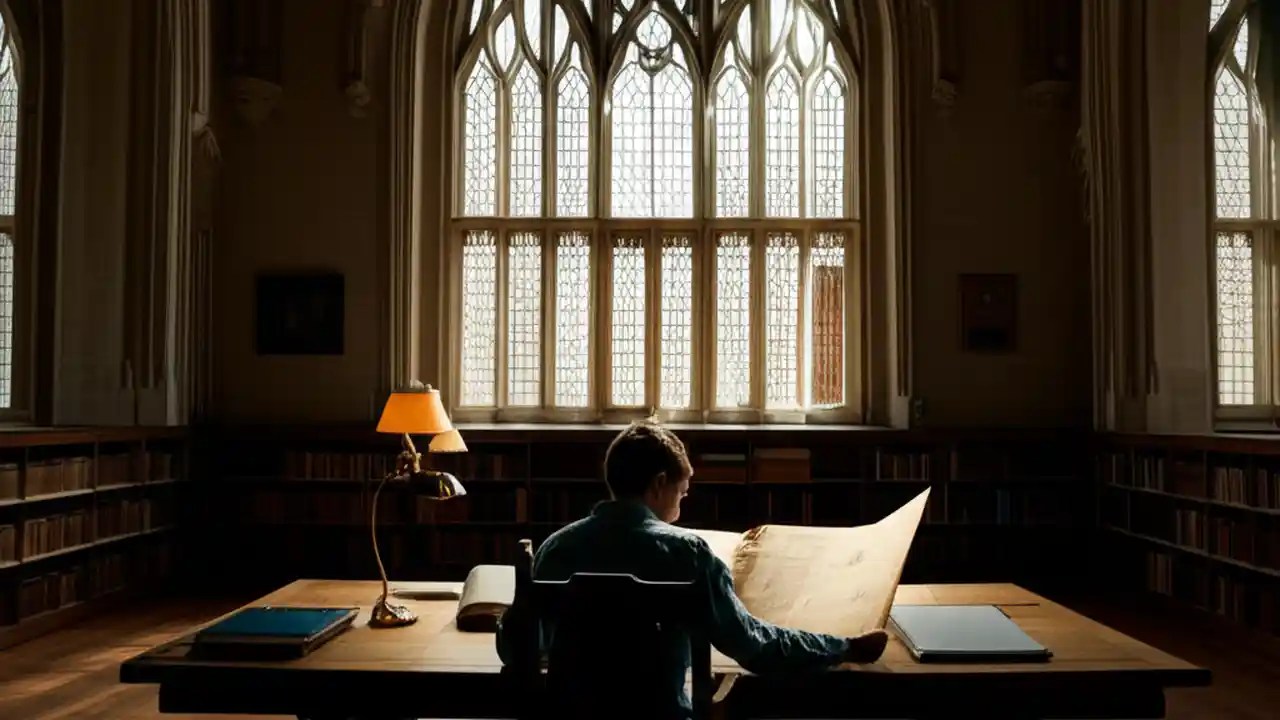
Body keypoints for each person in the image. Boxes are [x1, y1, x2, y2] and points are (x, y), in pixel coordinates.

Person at [495, 419, 888, 718]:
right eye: (681, 494)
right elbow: (755, 647)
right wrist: (844, 646)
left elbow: (517, 650)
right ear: (659, 483)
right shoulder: (688, 555)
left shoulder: (557, 549)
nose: (681, 509)